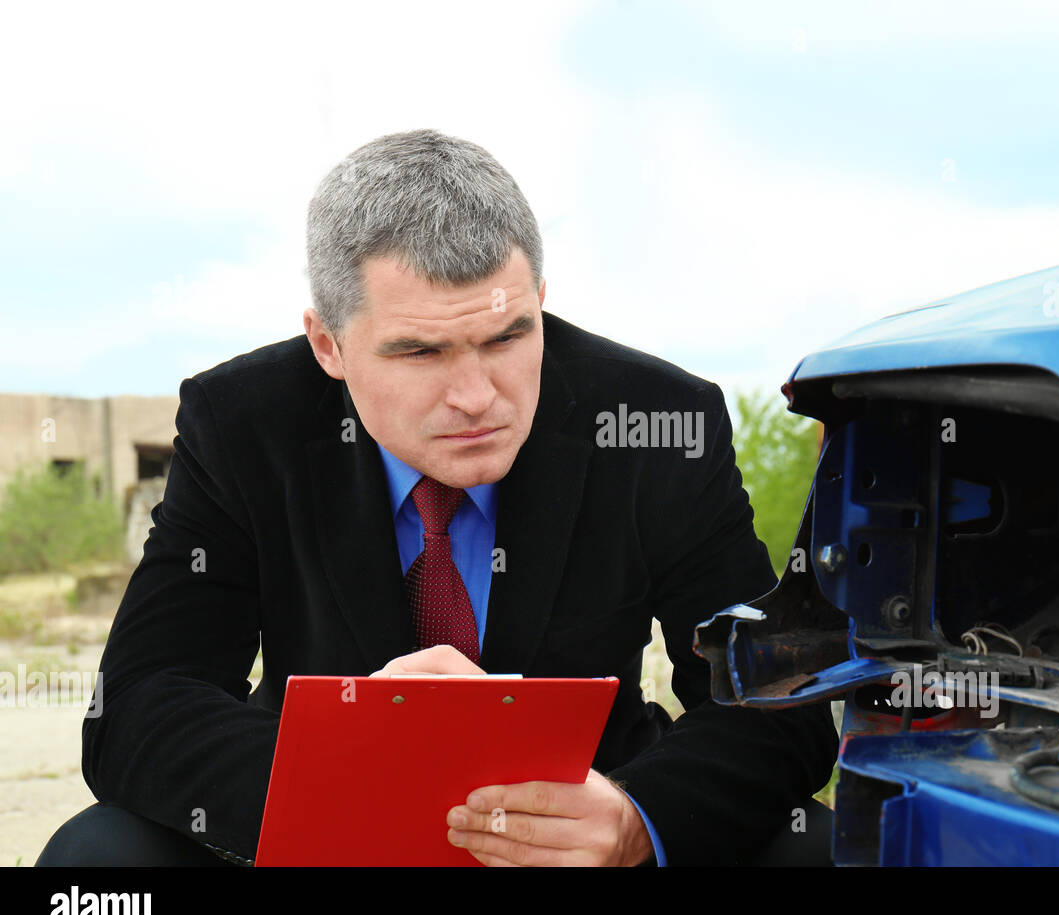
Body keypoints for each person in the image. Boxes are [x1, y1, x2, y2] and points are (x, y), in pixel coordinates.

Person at [36, 129, 837, 867]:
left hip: (573, 846)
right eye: (420, 350)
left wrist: (635, 818)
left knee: (816, 850)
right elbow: (136, 705)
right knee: (99, 859)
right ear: (329, 346)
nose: (476, 396)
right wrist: (349, 780)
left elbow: (781, 701)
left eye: (507, 337)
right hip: (328, 838)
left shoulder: (656, 422)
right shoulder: (246, 423)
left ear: (541, 299)